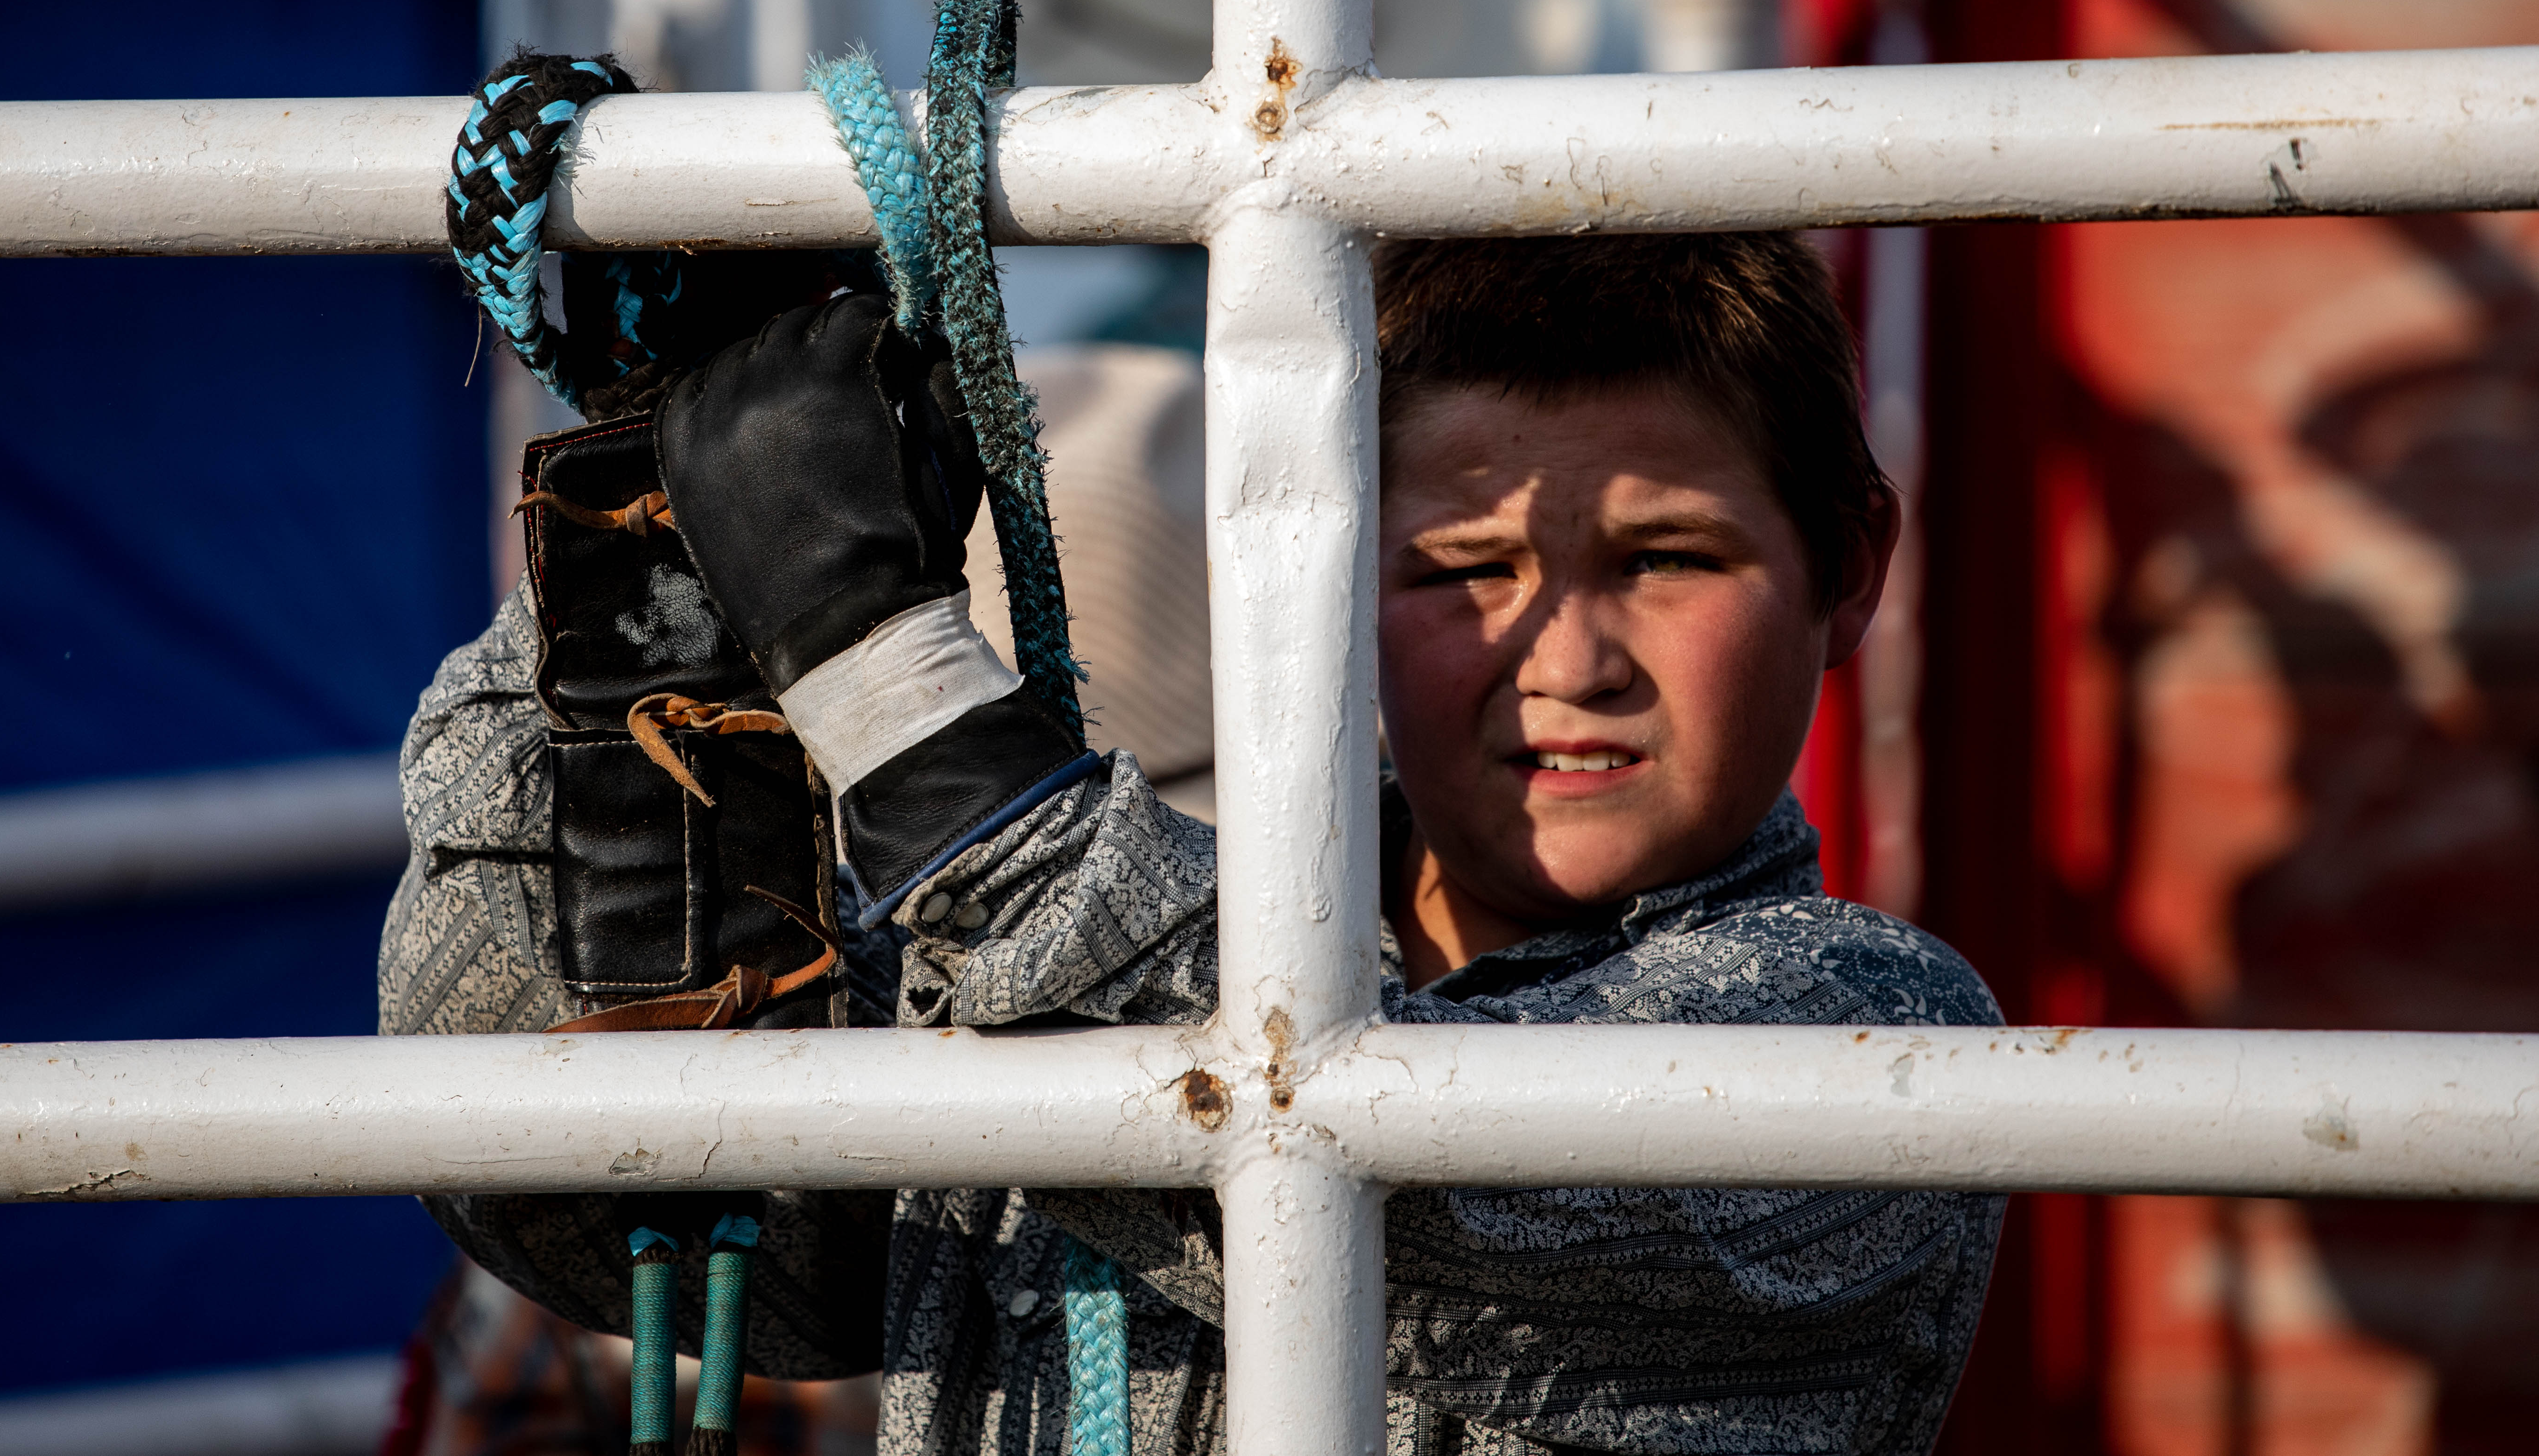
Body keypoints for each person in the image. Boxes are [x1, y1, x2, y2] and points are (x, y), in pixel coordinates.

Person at [381, 231, 2003, 1456]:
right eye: (1462, 568)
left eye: (1666, 554)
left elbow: (1364, 1171)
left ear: (1847, 567)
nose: (1566, 660)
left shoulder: (1872, 1044)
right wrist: (647, 533)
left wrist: (881, 661)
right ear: (1332, 577)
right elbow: (555, 1159)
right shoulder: (1039, 959)